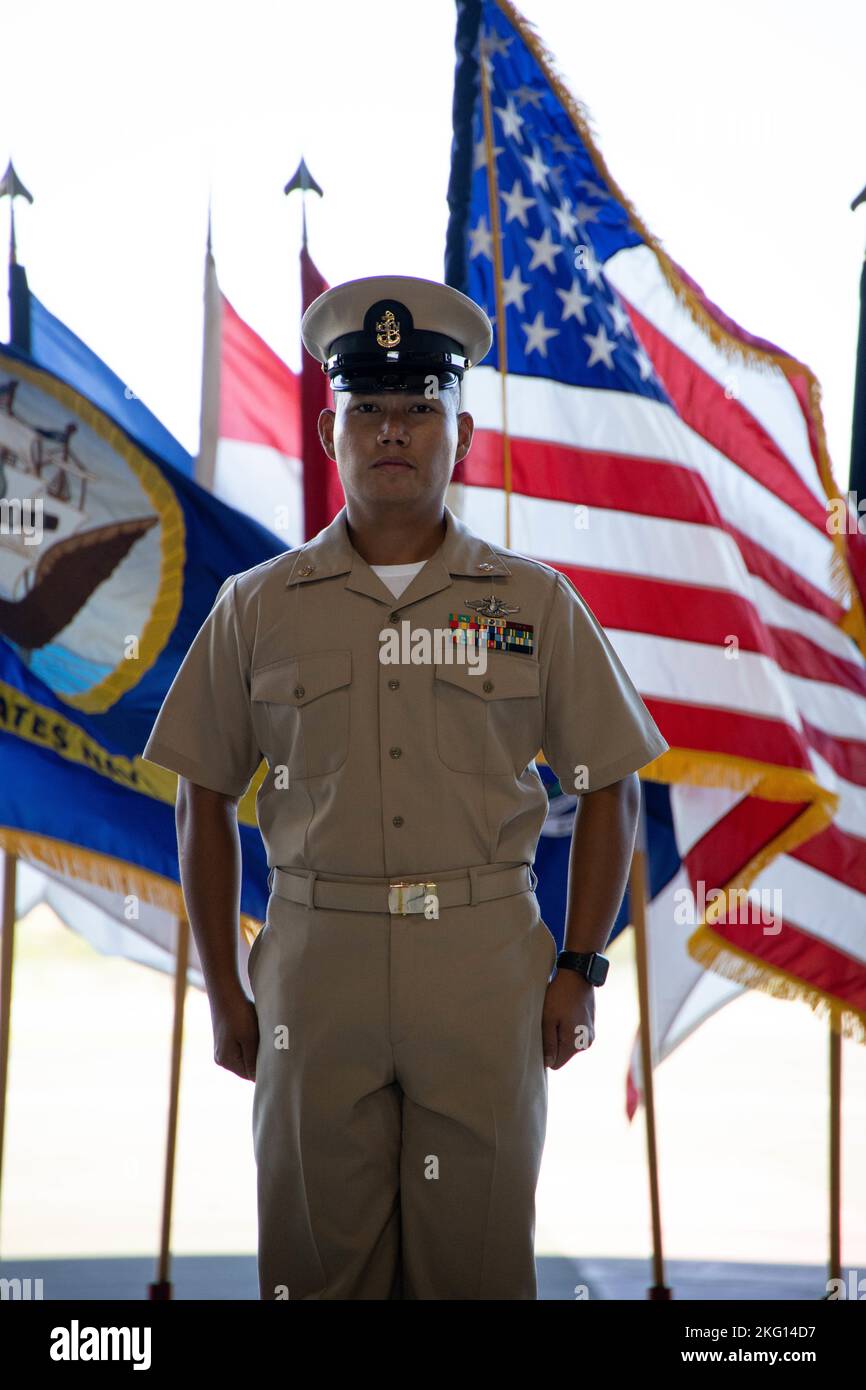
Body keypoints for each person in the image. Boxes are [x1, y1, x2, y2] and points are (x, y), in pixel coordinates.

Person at [141, 273, 669, 1300]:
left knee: (473, 1271)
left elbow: (611, 782)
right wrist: (222, 988)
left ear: (460, 435)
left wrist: (579, 965)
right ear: (330, 433)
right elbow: (200, 791)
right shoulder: (257, 607)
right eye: (368, 409)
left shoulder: (532, 603)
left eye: (419, 409)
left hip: (483, 971)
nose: (393, 431)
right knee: (313, 1271)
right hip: (313, 969)